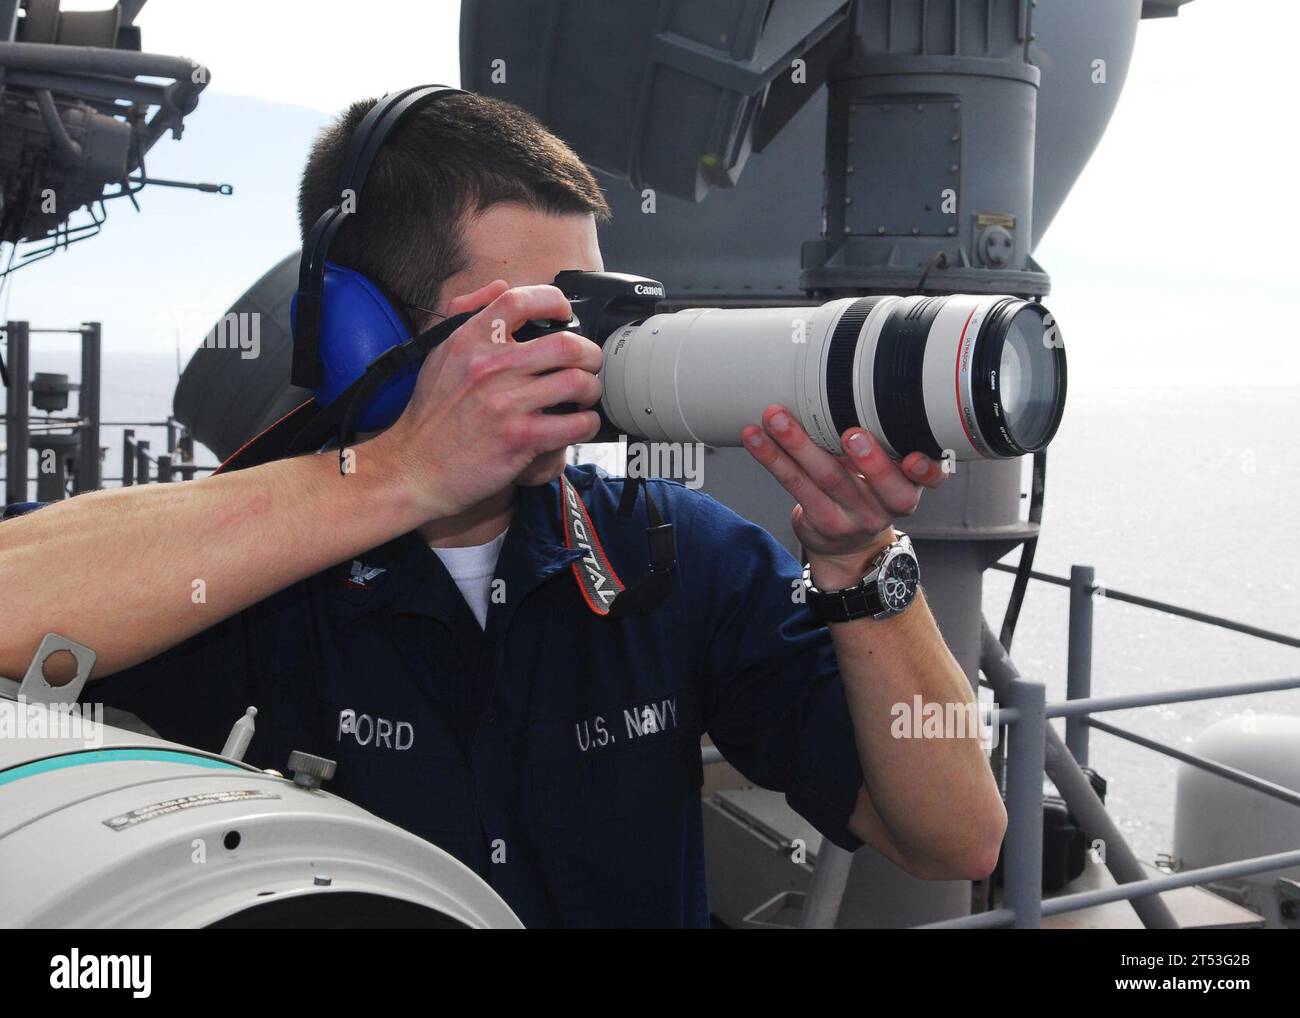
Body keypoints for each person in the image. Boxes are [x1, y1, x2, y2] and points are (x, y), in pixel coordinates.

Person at [0, 91, 1005, 928]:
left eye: (588, 320)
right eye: (523, 326)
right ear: (364, 337)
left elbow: (952, 836)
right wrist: (405, 470)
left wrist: (862, 559)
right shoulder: (247, 578)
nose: (574, 362)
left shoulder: (673, 559)